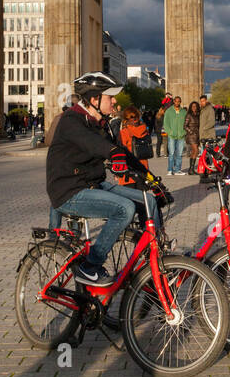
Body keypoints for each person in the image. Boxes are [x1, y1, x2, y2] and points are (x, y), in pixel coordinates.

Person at [46, 72, 155, 286]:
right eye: (109, 97)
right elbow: (91, 143)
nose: (114, 101)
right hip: (69, 190)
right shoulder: (72, 119)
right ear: (94, 99)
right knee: (124, 209)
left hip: (92, 184)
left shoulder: (99, 122)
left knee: (148, 200)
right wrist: (111, 152)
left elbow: (121, 151)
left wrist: (150, 178)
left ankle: (154, 262)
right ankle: (90, 265)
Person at [117, 106, 151, 174]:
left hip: (130, 168)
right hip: (143, 166)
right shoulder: (144, 130)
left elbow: (120, 151)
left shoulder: (124, 132)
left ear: (126, 119)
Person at [162, 97, 187, 176]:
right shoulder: (169, 111)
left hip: (181, 136)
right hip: (172, 136)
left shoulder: (184, 112)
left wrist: (184, 132)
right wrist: (170, 132)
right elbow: (165, 123)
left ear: (180, 102)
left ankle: (177, 170)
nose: (177, 103)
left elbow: (186, 123)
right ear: (173, 102)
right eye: (176, 101)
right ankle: (170, 169)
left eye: (179, 101)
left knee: (179, 154)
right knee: (171, 153)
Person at [184, 101, 201, 174]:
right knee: (196, 150)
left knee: (194, 152)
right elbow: (185, 126)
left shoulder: (197, 115)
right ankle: (191, 169)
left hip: (197, 135)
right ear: (190, 107)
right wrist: (191, 132)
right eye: (193, 106)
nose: (194, 108)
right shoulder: (189, 115)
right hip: (191, 135)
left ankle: (191, 169)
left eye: (195, 106)